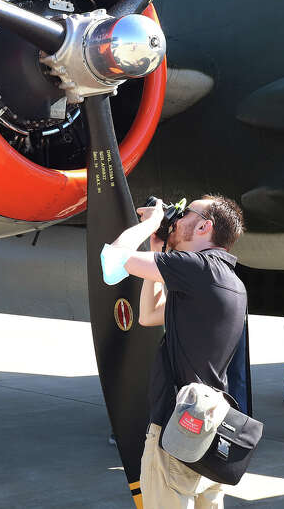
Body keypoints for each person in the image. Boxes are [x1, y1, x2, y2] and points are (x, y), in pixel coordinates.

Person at [101, 195, 247, 508]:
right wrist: (156, 251)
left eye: (184, 214)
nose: (176, 220)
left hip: (177, 429)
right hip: (209, 426)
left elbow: (111, 262)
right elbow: (149, 315)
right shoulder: (227, 280)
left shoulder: (197, 270)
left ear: (205, 227)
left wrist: (151, 223)